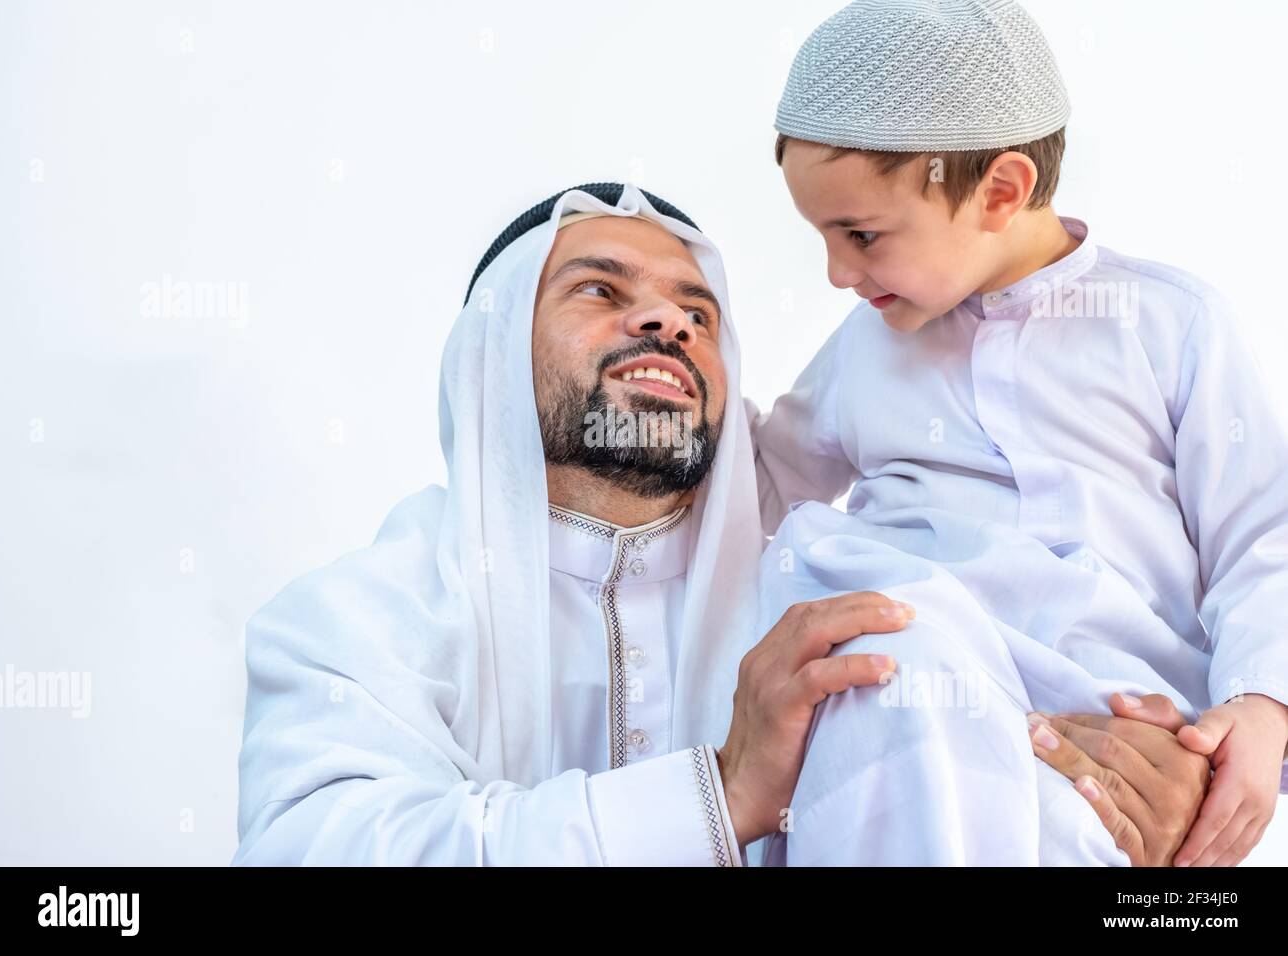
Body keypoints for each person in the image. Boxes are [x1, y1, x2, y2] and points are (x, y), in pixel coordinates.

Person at [233, 182, 1206, 866]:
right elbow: (307, 853)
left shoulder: (839, 601)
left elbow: (1026, 766)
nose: (667, 322)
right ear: (487, 354)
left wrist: (1135, 823)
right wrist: (720, 794)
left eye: (698, 310)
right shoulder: (357, 620)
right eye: (601, 290)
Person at [752, 0, 1288, 866]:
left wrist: (1263, 710)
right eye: (823, 236)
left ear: (1002, 191)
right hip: (917, 710)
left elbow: (1266, 536)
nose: (837, 273)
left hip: (1118, 752)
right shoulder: (865, 348)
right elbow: (760, 482)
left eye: (861, 235)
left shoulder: (1169, 325)